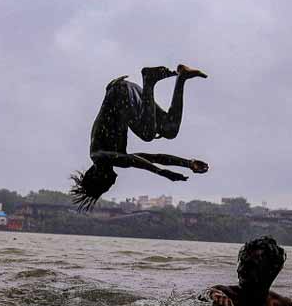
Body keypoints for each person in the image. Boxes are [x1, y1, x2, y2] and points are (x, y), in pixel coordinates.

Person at [70, 64, 210, 211]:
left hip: (119, 93)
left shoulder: (98, 156)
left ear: (100, 178)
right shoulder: (115, 158)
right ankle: (182, 77)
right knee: (170, 129)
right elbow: (153, 157)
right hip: (127, 95)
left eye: (107, 186)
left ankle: (149, 80)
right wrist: (188, 163)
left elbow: (135, 161)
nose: (113, 183)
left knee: (147, 134)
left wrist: (161, 172)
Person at [205, 236, 292, 306]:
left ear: (273, 270)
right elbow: (205, 295)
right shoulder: (225, 295)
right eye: (242, 263)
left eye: (251, 265)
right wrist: (211, 294)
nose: (240, 270)